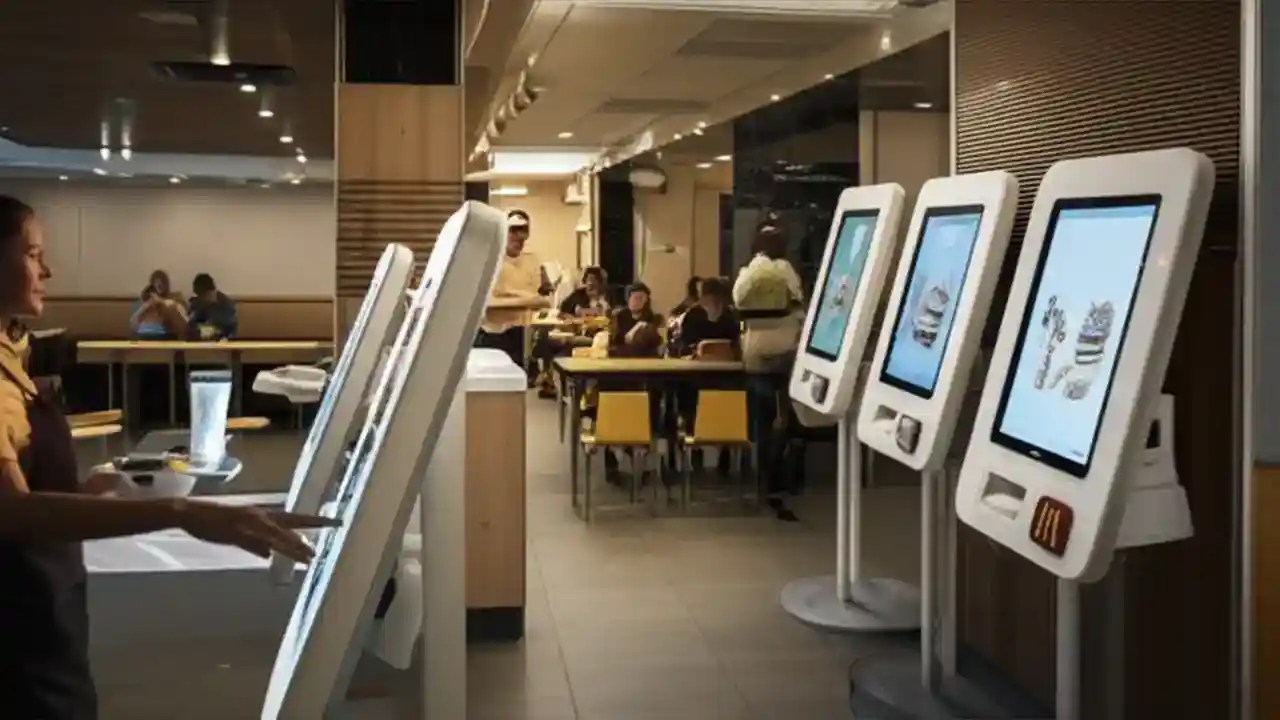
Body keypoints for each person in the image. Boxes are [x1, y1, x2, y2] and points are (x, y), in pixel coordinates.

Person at [0, 195, 332, 718]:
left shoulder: (12, 349)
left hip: (48, 604)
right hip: (17, 619)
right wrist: (181, 512)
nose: (48, 270)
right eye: (33, 254)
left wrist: (86, 494)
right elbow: (12, 513)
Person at [733, 223, 806, 522]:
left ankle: (762, 483)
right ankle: (781, 484)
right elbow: (800, 310)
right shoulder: (789, 275)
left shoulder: (747, 275)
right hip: (785, 359)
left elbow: (738, 305)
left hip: (755, 360)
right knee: (785, 426)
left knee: (761, 428)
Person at [476, 210, 549, 372]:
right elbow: (484, 303)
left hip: (521, 336)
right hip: (492, 335)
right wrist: (526, 301)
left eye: (523, 231)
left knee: (520, 383)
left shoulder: (532, 261)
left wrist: (534, 301)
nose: (518, 237)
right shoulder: (489, 261)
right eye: (513, 231)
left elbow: (538, 299)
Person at [609, 282, 663, 358]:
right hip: (623, 356)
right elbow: (618, 339)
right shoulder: (619, 316)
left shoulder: (652, 318)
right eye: (633, 297)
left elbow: (657, 343)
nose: (636, 301)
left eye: (640, 298)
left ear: (646, 301)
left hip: (645, 358)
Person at [130, 269, 187, 338]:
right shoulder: (145, 298)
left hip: (166, 335)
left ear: (167, 284)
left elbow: (182, 313)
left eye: (162, 282)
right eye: (156, 283)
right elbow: (133, 323)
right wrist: (146, 306)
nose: (159, 285)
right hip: (144, 336)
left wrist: (161, 301)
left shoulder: (175, 298)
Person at [187, 273, 238, 340]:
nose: (201, 298)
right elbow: (191, 322)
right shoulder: (198, 303)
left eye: (202, 295)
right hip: (200, 340)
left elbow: (226, 329)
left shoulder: (227, 305)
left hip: (223, 340)